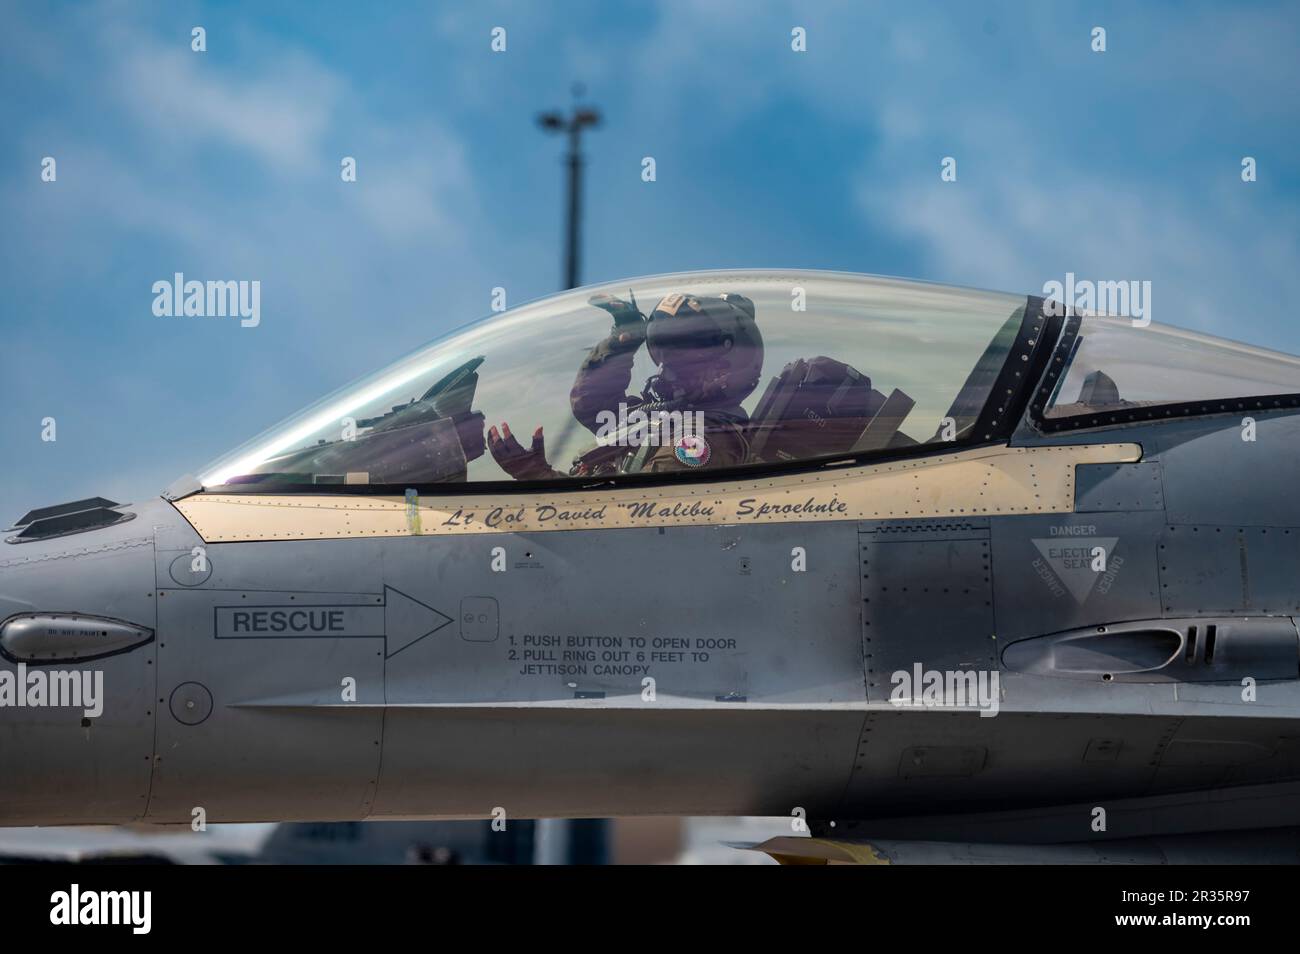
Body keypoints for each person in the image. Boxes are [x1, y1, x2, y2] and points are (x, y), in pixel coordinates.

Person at [488, 290, 764, 479]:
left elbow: (620, 517)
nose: (668, 368)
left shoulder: (705, 440)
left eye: (686, 359)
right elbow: (593, 404)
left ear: (726, 367)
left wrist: (537, 477)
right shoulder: (661, 419)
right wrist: (625, 339)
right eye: (666, 355)